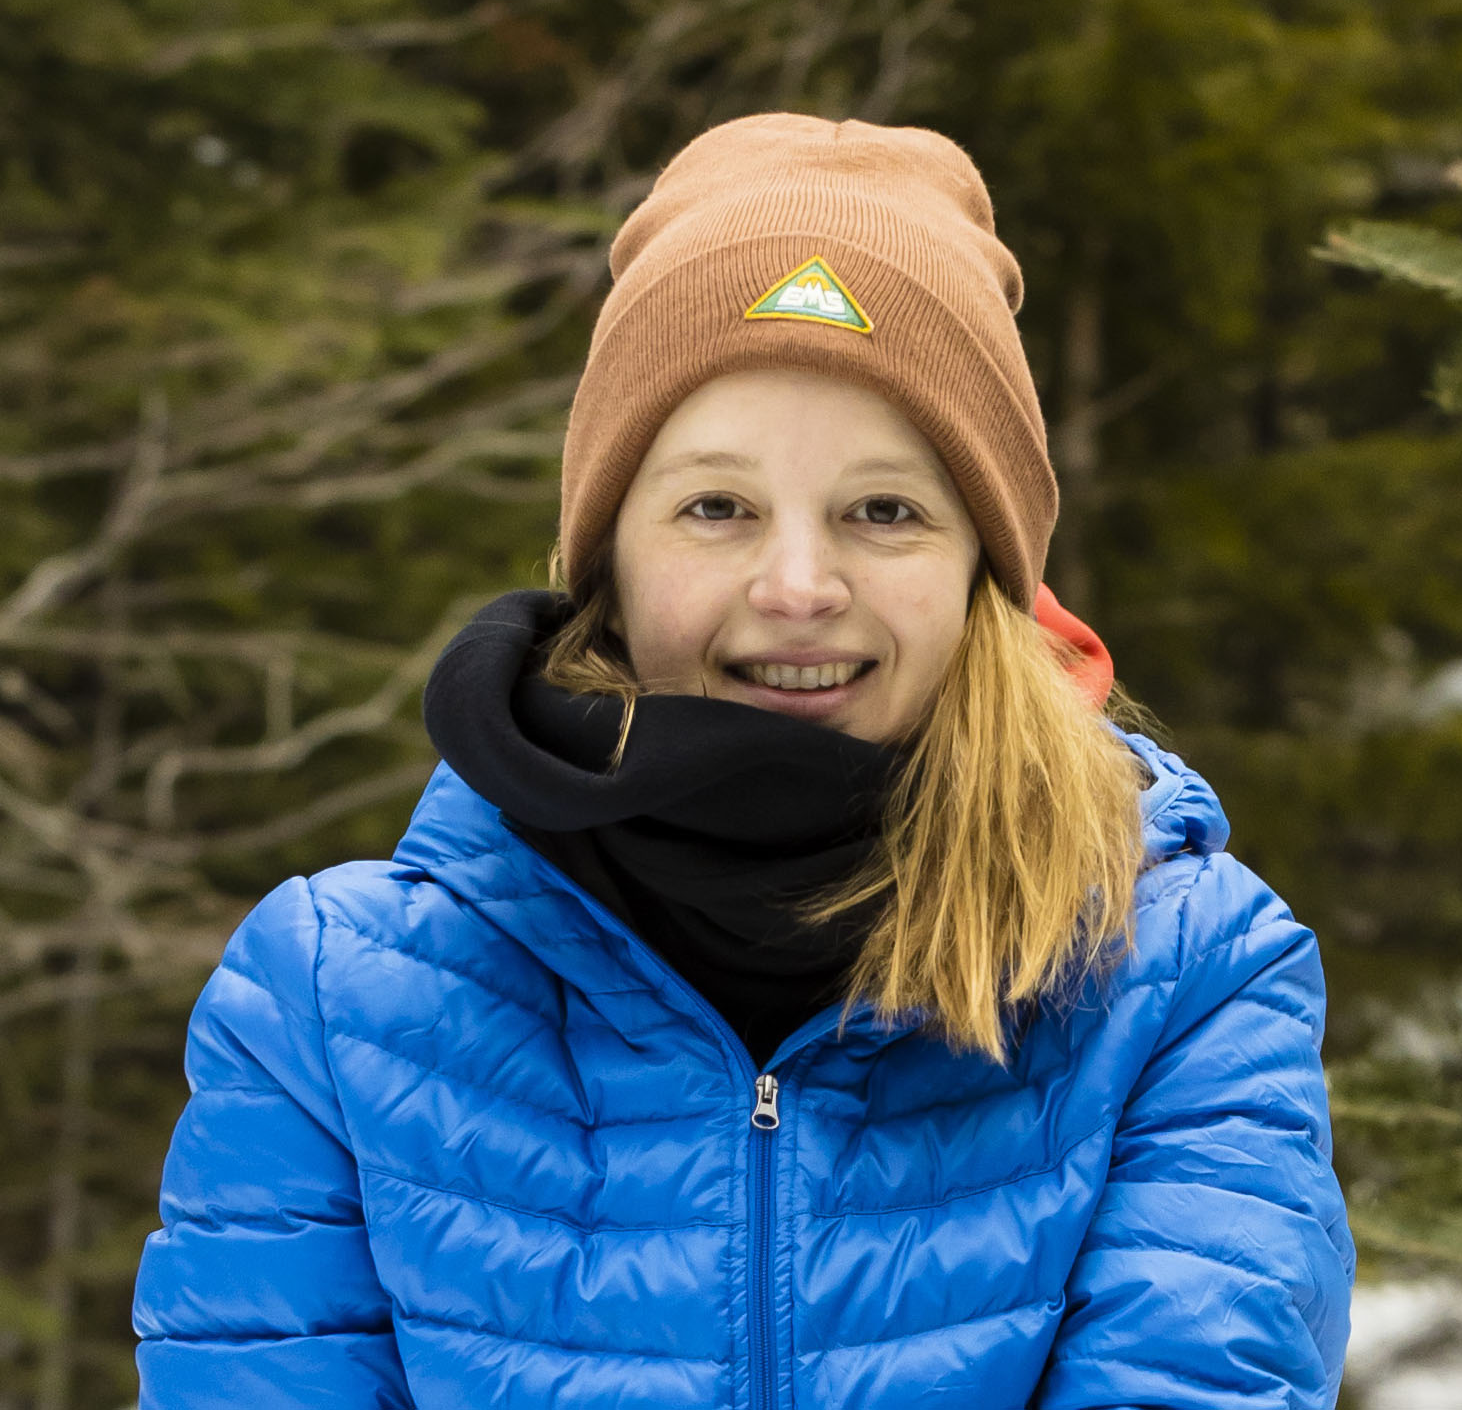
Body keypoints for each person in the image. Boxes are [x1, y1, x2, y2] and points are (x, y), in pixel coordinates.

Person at [132, 113, 1356, 1409]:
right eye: (716, 507)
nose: (797, 588)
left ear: (984, 574)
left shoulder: (1178, 971)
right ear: (609, 556)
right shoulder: (329, 1004)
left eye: (884, 510)